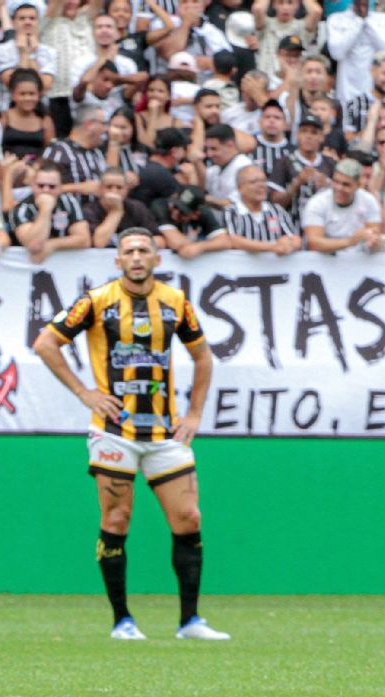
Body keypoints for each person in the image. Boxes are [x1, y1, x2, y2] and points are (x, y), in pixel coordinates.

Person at [33, 228, 229, 642]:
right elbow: (47, 343)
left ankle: (190, 620)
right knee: (117, 518)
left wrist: (194, 413)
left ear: (157, 259)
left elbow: (202, 356)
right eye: (129, 251)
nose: (137, 257)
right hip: (114, 431)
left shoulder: (176, 303)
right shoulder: (96, 301)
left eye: (144, 251)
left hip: (163, 430)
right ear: (117, 261)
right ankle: (122, 620)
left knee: (189, 517)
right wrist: (85, 393)